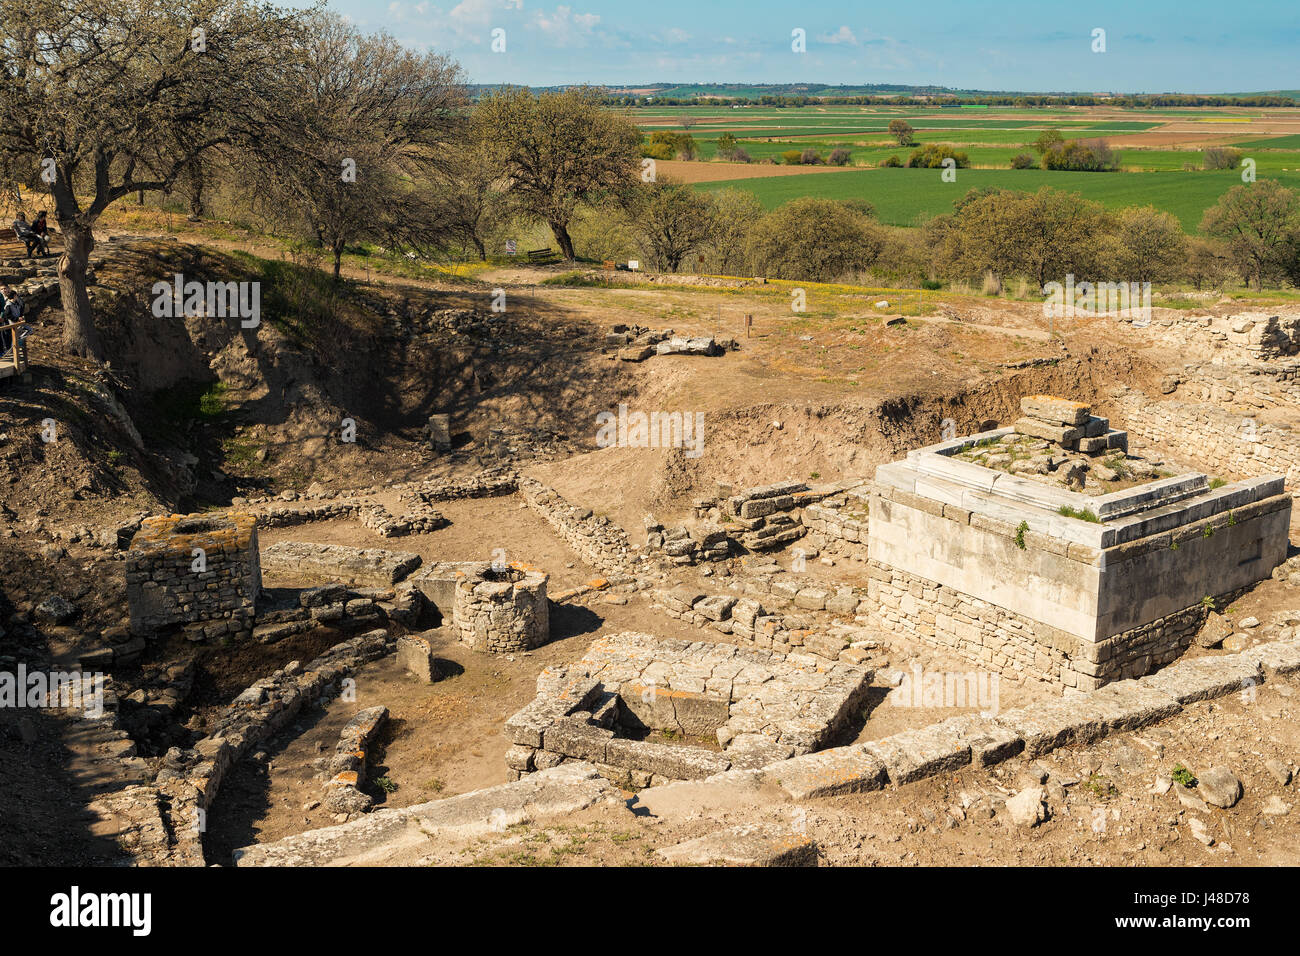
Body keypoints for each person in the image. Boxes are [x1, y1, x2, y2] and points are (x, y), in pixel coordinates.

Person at [0, 285, 32, 360]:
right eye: (2, 289)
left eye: (5, 288)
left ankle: (16, 345)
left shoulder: (16, 302)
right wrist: (16, 318)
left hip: (16, 322)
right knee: (9, 337)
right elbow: (6, 314)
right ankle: (11, 350)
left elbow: (21, 305)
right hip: (9, 323)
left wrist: (20, 316)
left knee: (27, 331)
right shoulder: (8, 304)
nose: (3, 290)